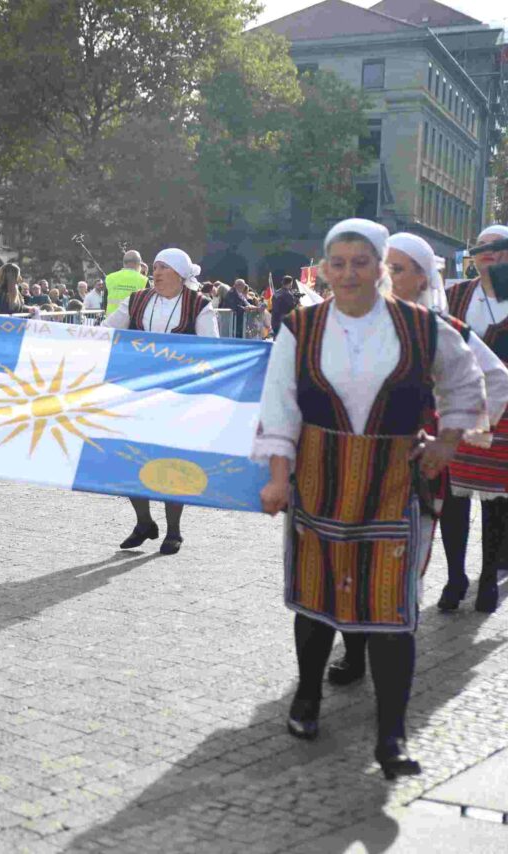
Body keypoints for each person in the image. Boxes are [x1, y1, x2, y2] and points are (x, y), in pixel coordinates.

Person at [255, 218, 488, 780]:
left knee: (391, 612)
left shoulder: (421, 326)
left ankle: (392, 735)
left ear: (382, 267)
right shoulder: (300, 327)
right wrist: (278, 477)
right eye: (338, 263)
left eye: (362, 262)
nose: (349, 273)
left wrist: (448, 441)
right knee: (315, 598)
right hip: (320, 480)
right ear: (324, 268)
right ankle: (307, 697)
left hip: (392, 484)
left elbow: (467, 381)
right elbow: (280, 403)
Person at [324, 231, 508, 686]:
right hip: (348, 460)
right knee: (347, 559)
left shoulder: (437, 327)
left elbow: (495, 378)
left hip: (408, 467)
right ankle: (353, 650)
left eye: (398, 268)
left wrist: (454, 433)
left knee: (395, 567)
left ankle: (479, 581)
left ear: (423, 277)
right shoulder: (340, 319)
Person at [104, 248, 218, 555]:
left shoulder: (200, 306)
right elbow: (104, 332)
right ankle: (144, 522)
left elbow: (212, 354)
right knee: (130, 459)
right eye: (153, 267)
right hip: (137, 395)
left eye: (163, 268)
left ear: (180, 275)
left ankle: (174, 531)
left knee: (171, 465)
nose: (155, 272)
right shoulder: (136, 300)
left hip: (178, 398)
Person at [441, 224, 508, 612]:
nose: (490, 253)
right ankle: (455, 577)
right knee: (454, 498)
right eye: (483, 247)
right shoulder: (456, 296)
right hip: (459, 408)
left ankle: (487, 581)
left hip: (504, 414)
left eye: (499, 247)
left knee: (496, 502)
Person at [104, 250, 147, 317]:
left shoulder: (109, 278)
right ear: (139, 264)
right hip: (133, 322)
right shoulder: (144, 280)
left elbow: (105, 302)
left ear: (124, 263)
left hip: (111, 321)